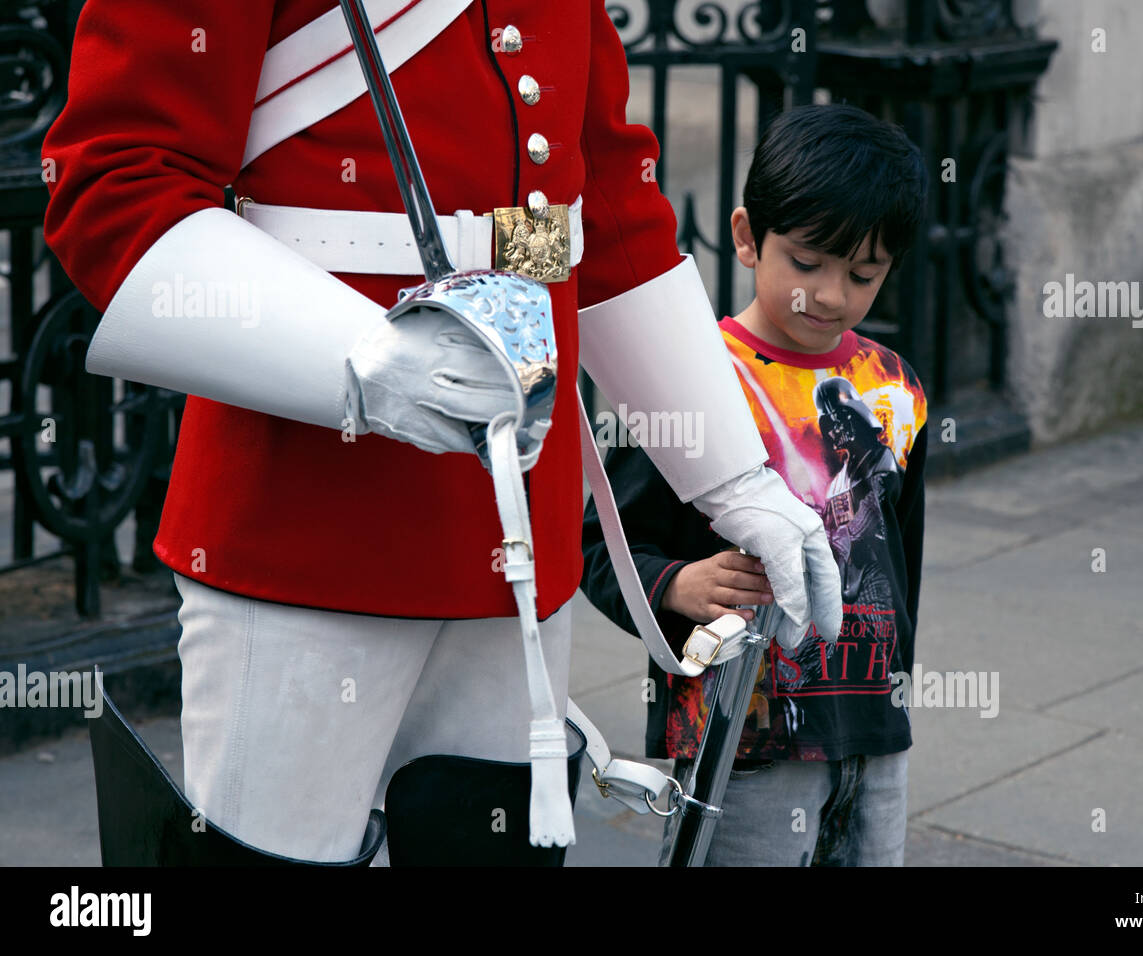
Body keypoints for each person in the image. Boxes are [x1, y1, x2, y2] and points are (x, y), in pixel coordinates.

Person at [42, 0, 842, 865]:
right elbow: (116, 185)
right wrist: (359, 359)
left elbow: (589, 207)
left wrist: (729, 476)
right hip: (308, 528)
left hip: (514, 544)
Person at [581, 103, 929, 866]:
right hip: (740, 739)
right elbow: (597, 548)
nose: (831, 294)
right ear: (746, 236)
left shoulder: (898, 390)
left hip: (874, 730)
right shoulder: (689, 384)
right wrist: (676, 585)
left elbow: (904, 569)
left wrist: (896, 700)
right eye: (807, 263)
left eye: (862, 273)